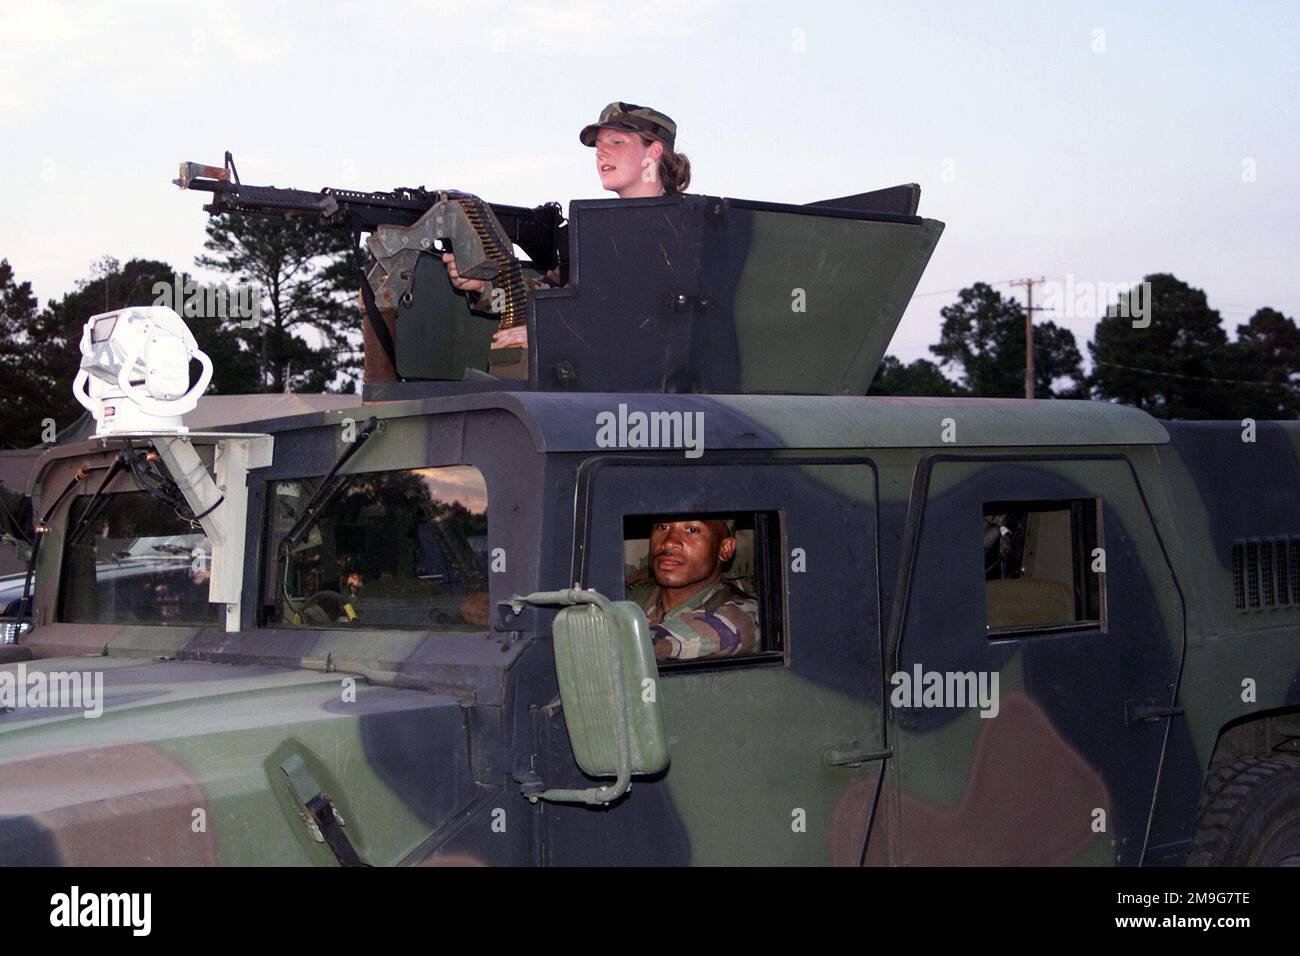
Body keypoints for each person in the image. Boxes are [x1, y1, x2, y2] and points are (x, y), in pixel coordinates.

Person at [444, 102, 691, 351]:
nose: (601, 153)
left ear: (654, 151)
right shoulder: (593, 235)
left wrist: (554, 333)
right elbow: (547, 297)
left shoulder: (688, 230)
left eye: (617, 142)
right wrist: (484, 285)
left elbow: (655, 317)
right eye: (599, 146)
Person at [625, 516, 759, 661]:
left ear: (725, 549)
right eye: (662, 527)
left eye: (692, 530)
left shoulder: (739, 617)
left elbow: (632, 648)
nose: (669, 542)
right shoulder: (637, 593)